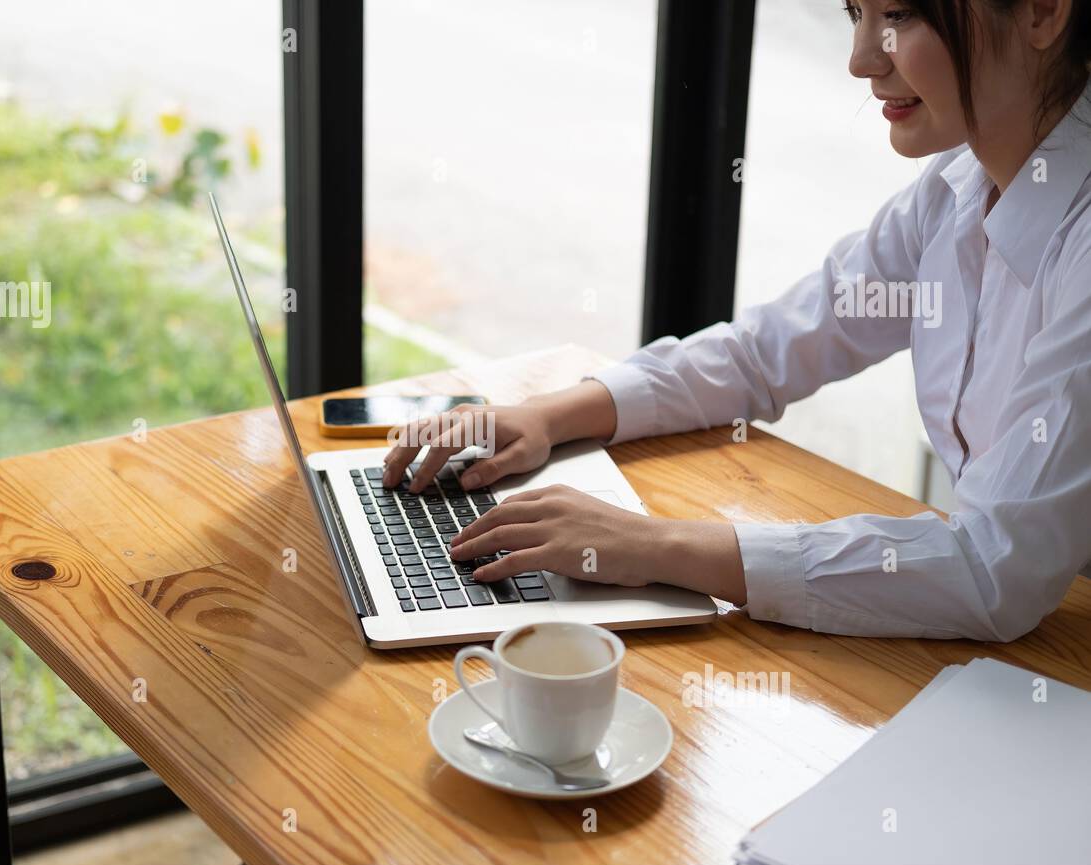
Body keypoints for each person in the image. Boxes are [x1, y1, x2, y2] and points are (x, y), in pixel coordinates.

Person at [382, 0, 1091, 642]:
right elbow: (767, 350)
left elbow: (995, 568)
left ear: (1040, 13)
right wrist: (550, 415)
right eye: (855, 11)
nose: (861, 59)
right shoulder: (956, 190)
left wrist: (654, 547)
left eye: (899, 13)